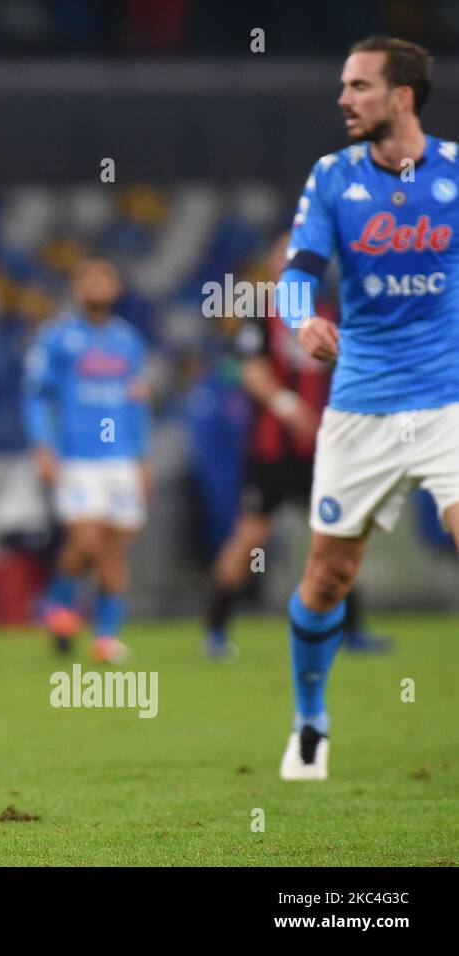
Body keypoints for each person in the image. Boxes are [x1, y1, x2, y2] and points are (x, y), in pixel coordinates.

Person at [275, 37, 459, 780]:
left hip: (448, 398)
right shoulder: (332, 177)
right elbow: (298, 274)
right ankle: (310, 719)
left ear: (402, 97)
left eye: (359, 86)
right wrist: (301, 320)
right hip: (362, 404)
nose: (344, 99)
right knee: (328, 580)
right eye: (343, 85)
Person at [204, 232, 391, 659]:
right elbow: (251, 372)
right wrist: (288, 406)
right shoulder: (259, 313)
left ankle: (353, 629)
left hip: (321, 452)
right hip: (271, 451)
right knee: (251, 536)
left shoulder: (327, 313)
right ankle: (216, 628)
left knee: (337, 535)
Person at [23, 259, 151, 664]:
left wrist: (144, 459)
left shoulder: (129, 342)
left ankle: (104, 637)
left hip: (123, 459)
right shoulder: (56, 338)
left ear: (115, 287)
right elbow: (36, 396)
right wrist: (43, 446)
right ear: (76, 288)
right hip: (77, 457)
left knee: (113, 551)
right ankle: (57, 604)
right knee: (87, 541)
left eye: (104, 277)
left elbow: (137, 404)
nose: (97, 285)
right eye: (88, 278)